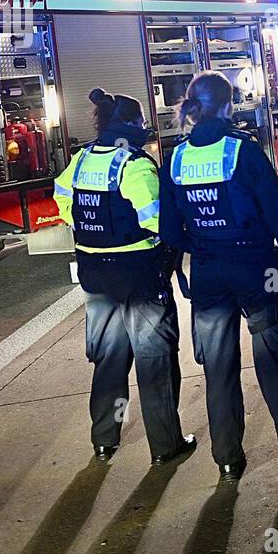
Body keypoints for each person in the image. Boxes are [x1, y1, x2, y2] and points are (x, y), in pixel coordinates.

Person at [160, 71, 278, 481]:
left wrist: (199, 246)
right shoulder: (245, 151)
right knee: (273, 359)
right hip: (257, 269)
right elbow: (276, 213)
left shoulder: (177, 158)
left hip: (207, 274)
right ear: (226, 105)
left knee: (218, 368)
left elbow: (167, 231)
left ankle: (227, 460)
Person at [53, 89, 194, 464]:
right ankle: (166, 447)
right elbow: (155, 220)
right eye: (141, 120)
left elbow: (62, 197)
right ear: (131, 124)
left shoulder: (81, 160)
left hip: (96, 275)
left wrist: (87, 228)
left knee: (109, 359)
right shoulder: (135, 165)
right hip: (138, 274)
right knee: (154, 361)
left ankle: (104, 439)